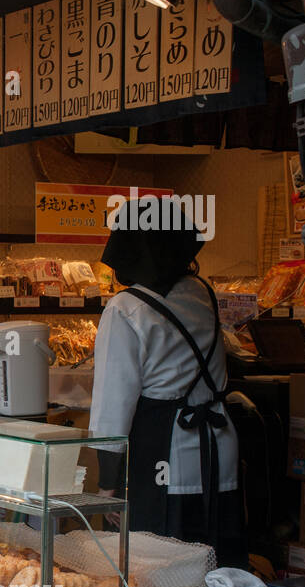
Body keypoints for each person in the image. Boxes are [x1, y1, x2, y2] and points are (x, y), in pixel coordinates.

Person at [90, 205, 244, 568]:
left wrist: (108, 484)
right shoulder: (201, 292)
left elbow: (114, 404)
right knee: (216, 565)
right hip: (218, 450)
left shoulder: (125, 308)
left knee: (161, 572)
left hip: (163, 454)